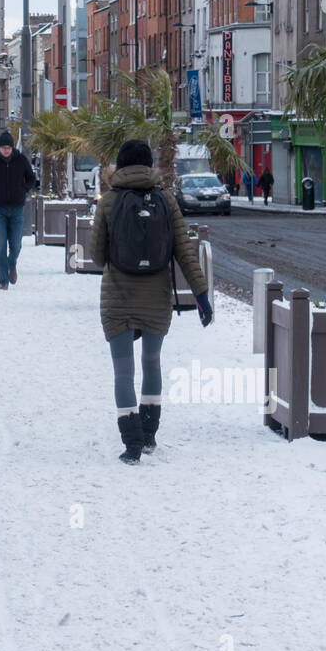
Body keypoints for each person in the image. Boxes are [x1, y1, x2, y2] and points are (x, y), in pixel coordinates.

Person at [90, 139, 213, 465]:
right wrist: (201, 295)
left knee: (123, 371)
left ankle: (131, 444)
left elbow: (96, 255)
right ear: (149, 164)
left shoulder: (109, 201)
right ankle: (149, 435)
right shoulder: (166, 200)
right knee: (151, 362)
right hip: (156, 295)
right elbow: (184, 251)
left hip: (118, 295)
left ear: (119, 165)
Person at [0, 132, 37, 289]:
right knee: (0, 245)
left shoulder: (21, 160)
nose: (6, 150)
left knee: (16, 244)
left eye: (8, 147)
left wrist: (23, 190)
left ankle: (12, 265)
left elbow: (31, 178)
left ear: (12, 147)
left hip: (17, 209)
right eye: (3, 147)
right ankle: (3, 281)